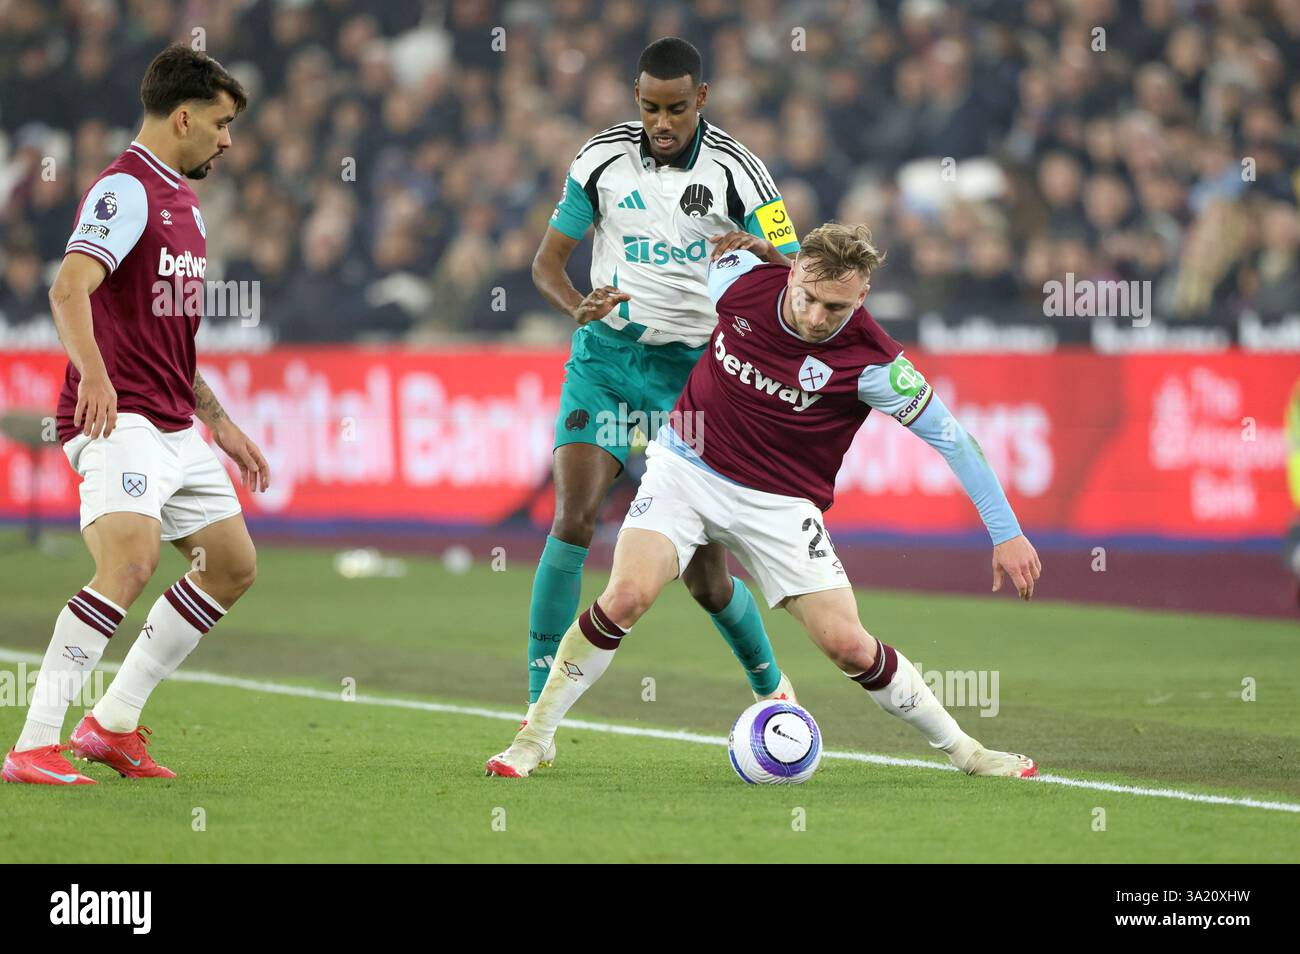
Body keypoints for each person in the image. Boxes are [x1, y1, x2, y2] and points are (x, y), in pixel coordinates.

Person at [487, 223, 1042, 779]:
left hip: (780, 504)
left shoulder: (875, 362)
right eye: (809, 296)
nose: (819, 317)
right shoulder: (736, 278)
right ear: (793, 270)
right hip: (686, 469)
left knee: (848, 645)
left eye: (838, 306)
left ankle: (969, 753)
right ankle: (534, 738)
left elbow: (954, 440)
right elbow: (672, 258)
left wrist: (1006, 532)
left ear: (863, 297)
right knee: (627, 595)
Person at [520, 37, 805, 764]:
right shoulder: (600, 159)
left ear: (700, 101)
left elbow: (798, 267)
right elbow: (546, 263)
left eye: (676, 108)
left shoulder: (742, 171)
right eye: (649, 107)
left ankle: (772, 686)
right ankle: (536, 705)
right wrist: (579, 305)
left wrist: (761, 252)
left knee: (708, 579)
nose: (661, 121)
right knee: (575, 518)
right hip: (609, 362)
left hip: (697, 380)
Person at [3, 44, 269, 785]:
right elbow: (67, 290)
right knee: (128, 565)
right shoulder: (125, 192)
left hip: (175, 424)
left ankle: (111, 725)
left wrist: (218, 421)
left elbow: (173, 339)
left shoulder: (185, 205)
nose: (226, 139)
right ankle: (31, 744)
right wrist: (94, 376)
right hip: (119, 421)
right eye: (219, 123)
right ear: (182, 116)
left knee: (232, 567)